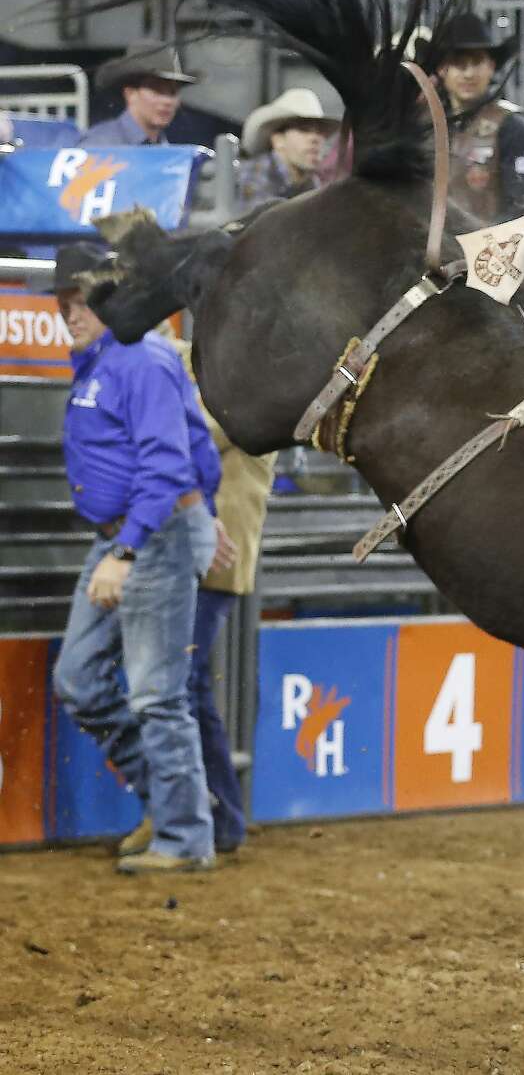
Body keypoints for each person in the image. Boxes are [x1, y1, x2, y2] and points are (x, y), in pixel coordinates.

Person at [49, 243, 228, 873]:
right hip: (134, 534)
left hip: (140, 537)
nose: (69, 314)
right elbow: (196, 451)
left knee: (156, 694)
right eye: (63, 302)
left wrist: (127, 548)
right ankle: (174, 800)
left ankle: (183, 838)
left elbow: (168, 461)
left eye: (81, 302)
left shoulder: (136, 359)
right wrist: (204, 511)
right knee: (79, 680)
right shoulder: (117, 359)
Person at [177, 342, 276, 856]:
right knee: (187, 687)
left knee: (186, 685)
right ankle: (215, 812)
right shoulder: (227, 376)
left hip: (216, 553)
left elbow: (198, 438)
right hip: (205, 549)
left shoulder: (248, 389)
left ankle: (217, 813)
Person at [432, 13, 524, 223]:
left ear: (491, 66)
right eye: (459, 64)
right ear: (441, 70)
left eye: (476, 62)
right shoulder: (428, 126)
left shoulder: (512, 125)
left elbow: (523, 205)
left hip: (492, 250)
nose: (468, 74)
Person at [235, 87, 342, 213]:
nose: (315, 138)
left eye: (320, 132)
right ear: (278, 140)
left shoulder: (311, 183)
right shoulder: (256, 174)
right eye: (304, 130)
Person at [80, 39, 199, 147]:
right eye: (156, 90)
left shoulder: (166, 149)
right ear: (130, 94)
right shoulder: (100, 145)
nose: (167, 101)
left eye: (173, 92)